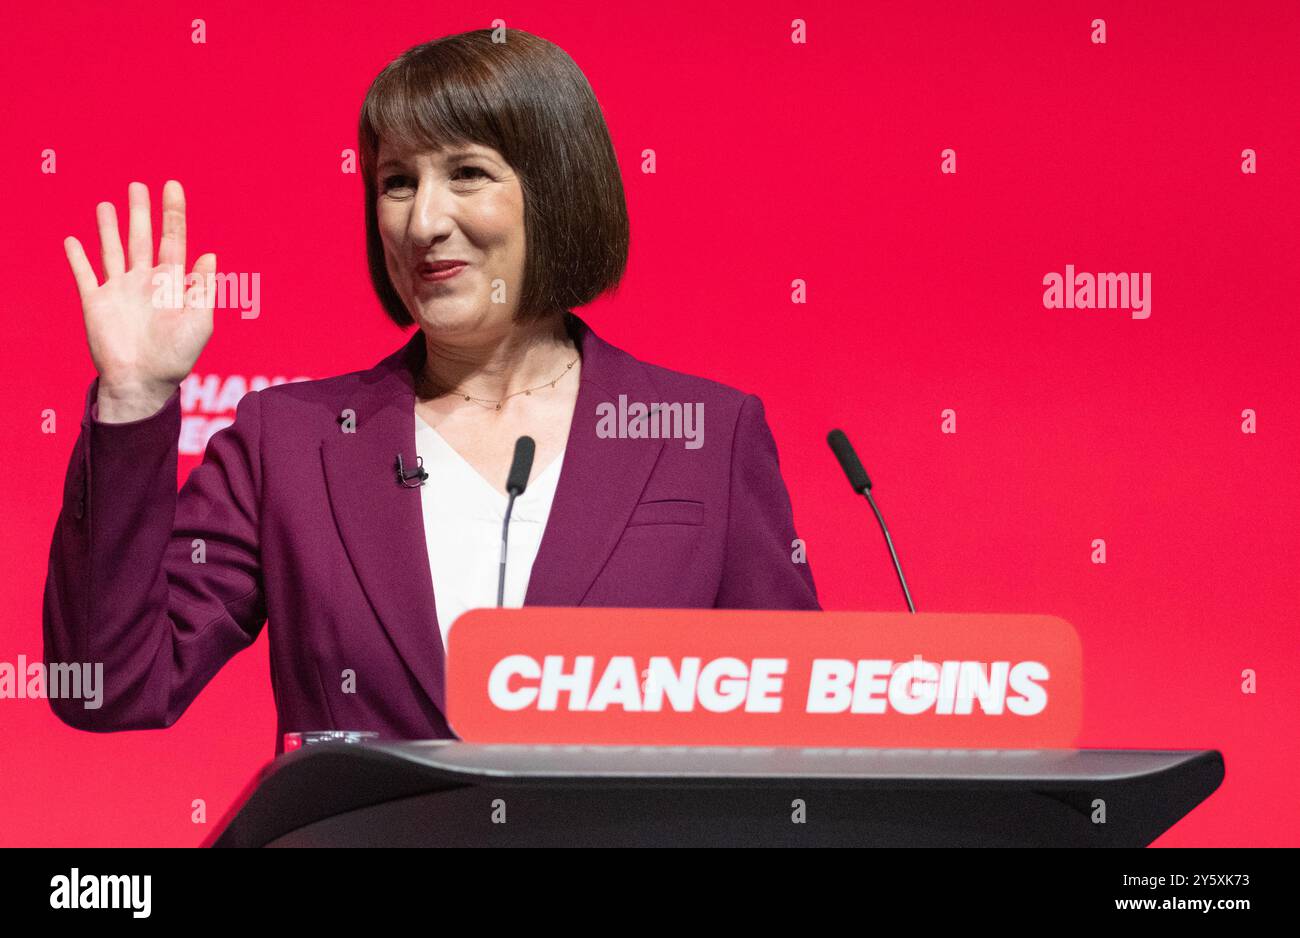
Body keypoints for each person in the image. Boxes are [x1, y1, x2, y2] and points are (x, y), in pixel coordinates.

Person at [45, 28, 819, 752]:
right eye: (396, 182)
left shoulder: (703, 437)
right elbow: (110, 685)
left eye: (467, 174)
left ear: (557, 189)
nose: (422, 222)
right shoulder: (287, 441)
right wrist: (135, 396)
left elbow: (794, 729)